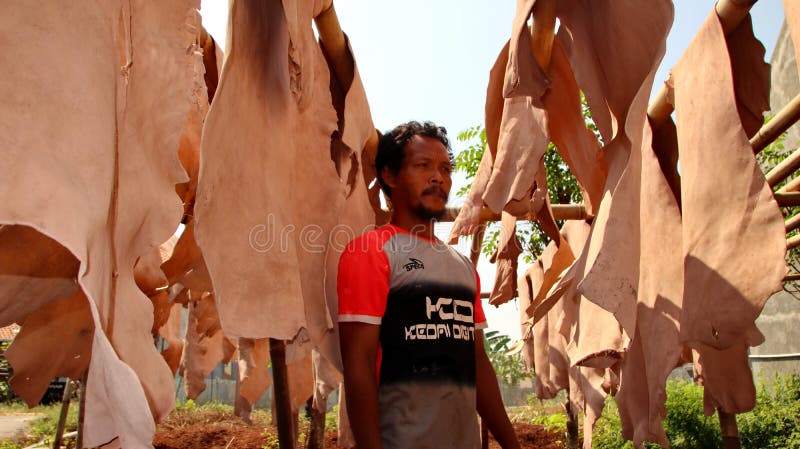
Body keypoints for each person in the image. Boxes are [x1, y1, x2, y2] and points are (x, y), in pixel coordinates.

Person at [337, 121, 521, 449]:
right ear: (390, 176)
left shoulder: (463, 267)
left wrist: (512, 444)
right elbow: (358, 364)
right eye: (423, 165)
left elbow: (478, 362)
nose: (439, 177)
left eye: (446, 168)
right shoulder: (370, 253)